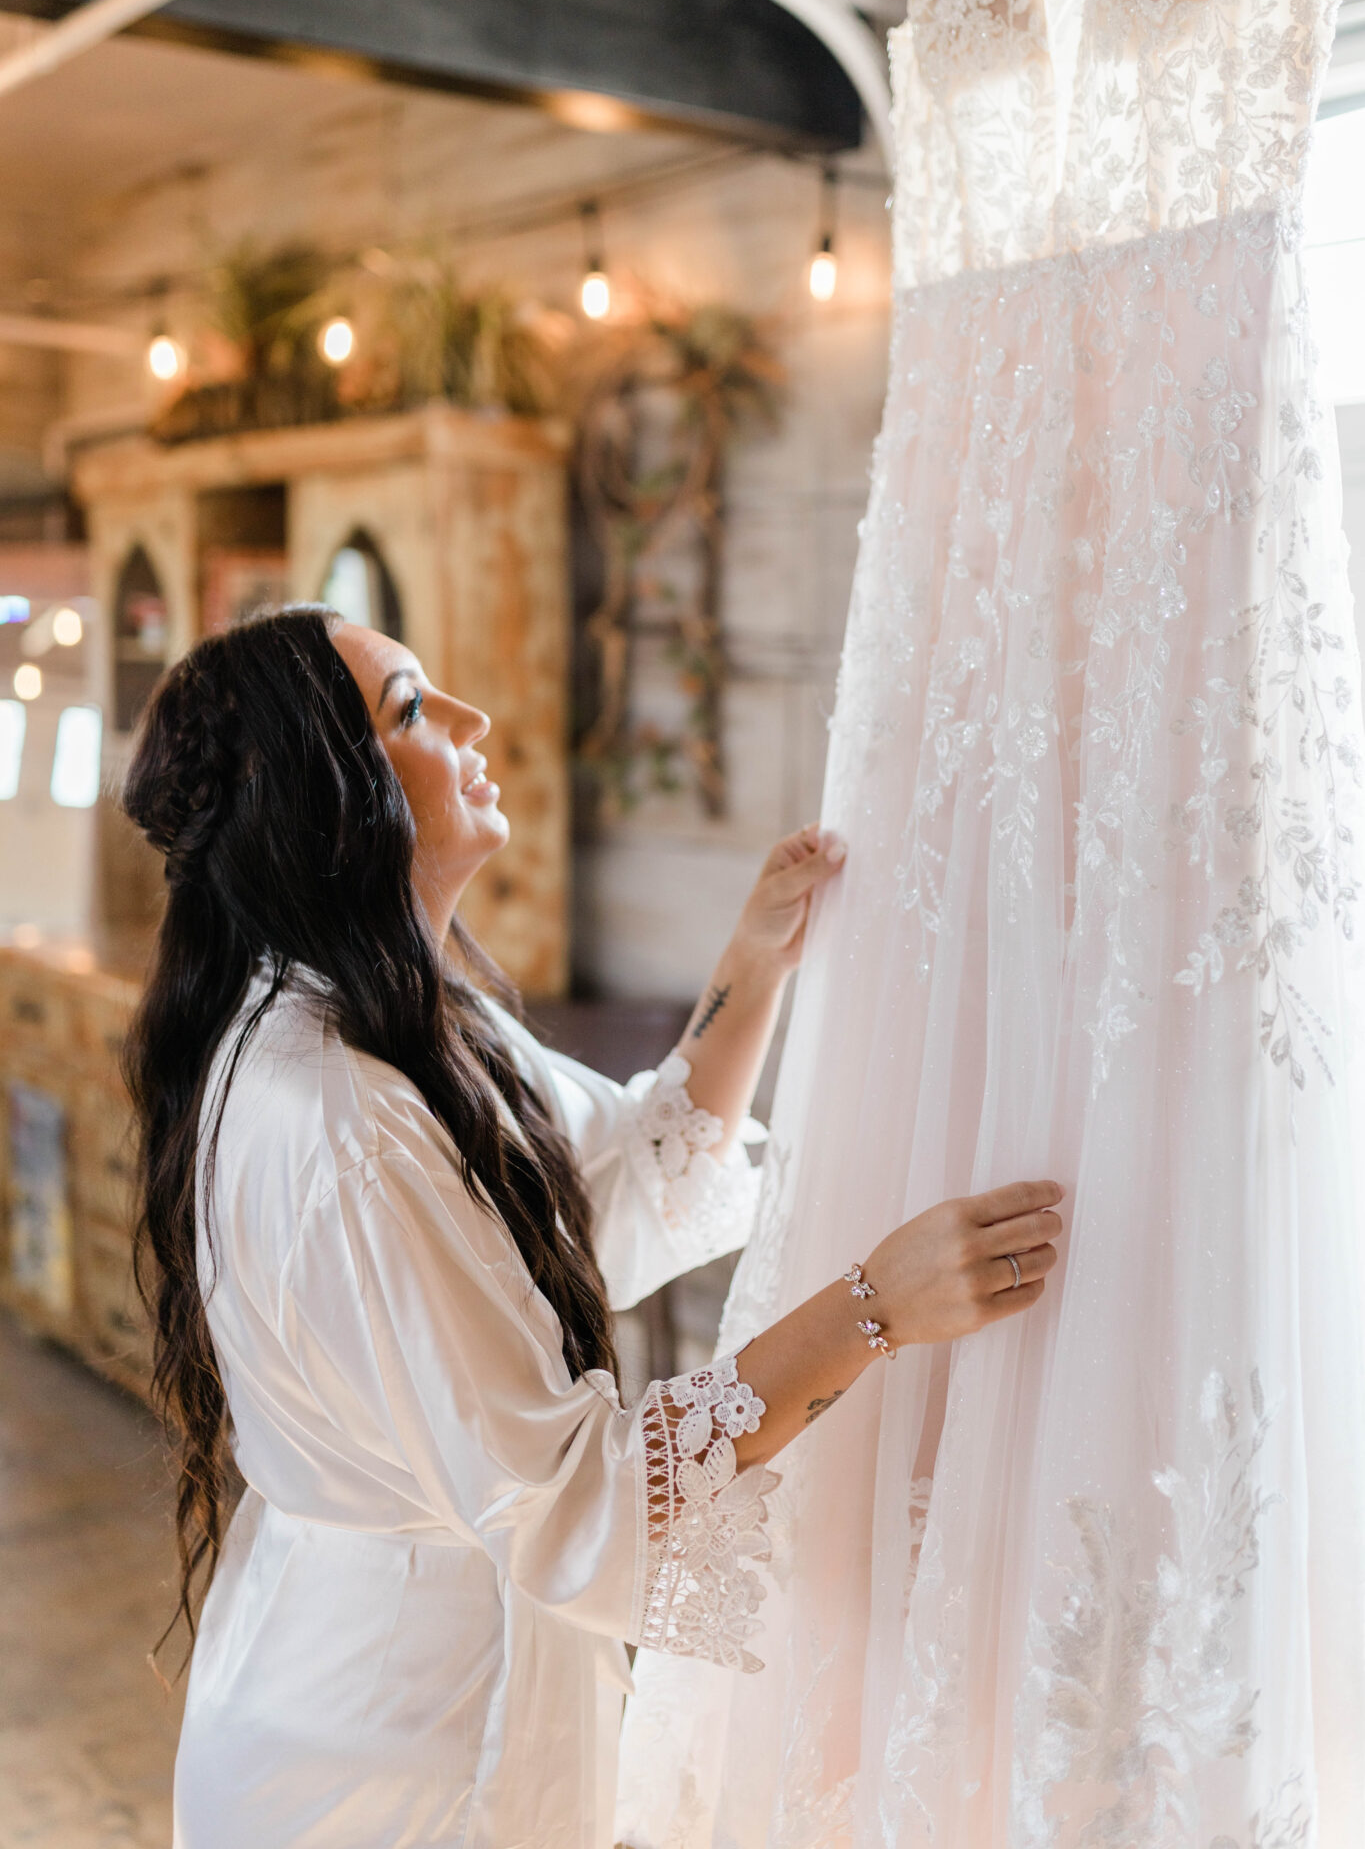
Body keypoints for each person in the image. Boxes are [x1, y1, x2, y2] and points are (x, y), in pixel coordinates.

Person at [121, 605, 1062, 1849]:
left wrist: (754, 963)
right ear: (323, 801)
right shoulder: (338, 1115)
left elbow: (608, 1184)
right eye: (410, 710)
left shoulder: (403, 1014)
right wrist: (874, 1306)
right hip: (381, 1758)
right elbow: (577, 1500)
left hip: (430, 1689)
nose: (472, 721)